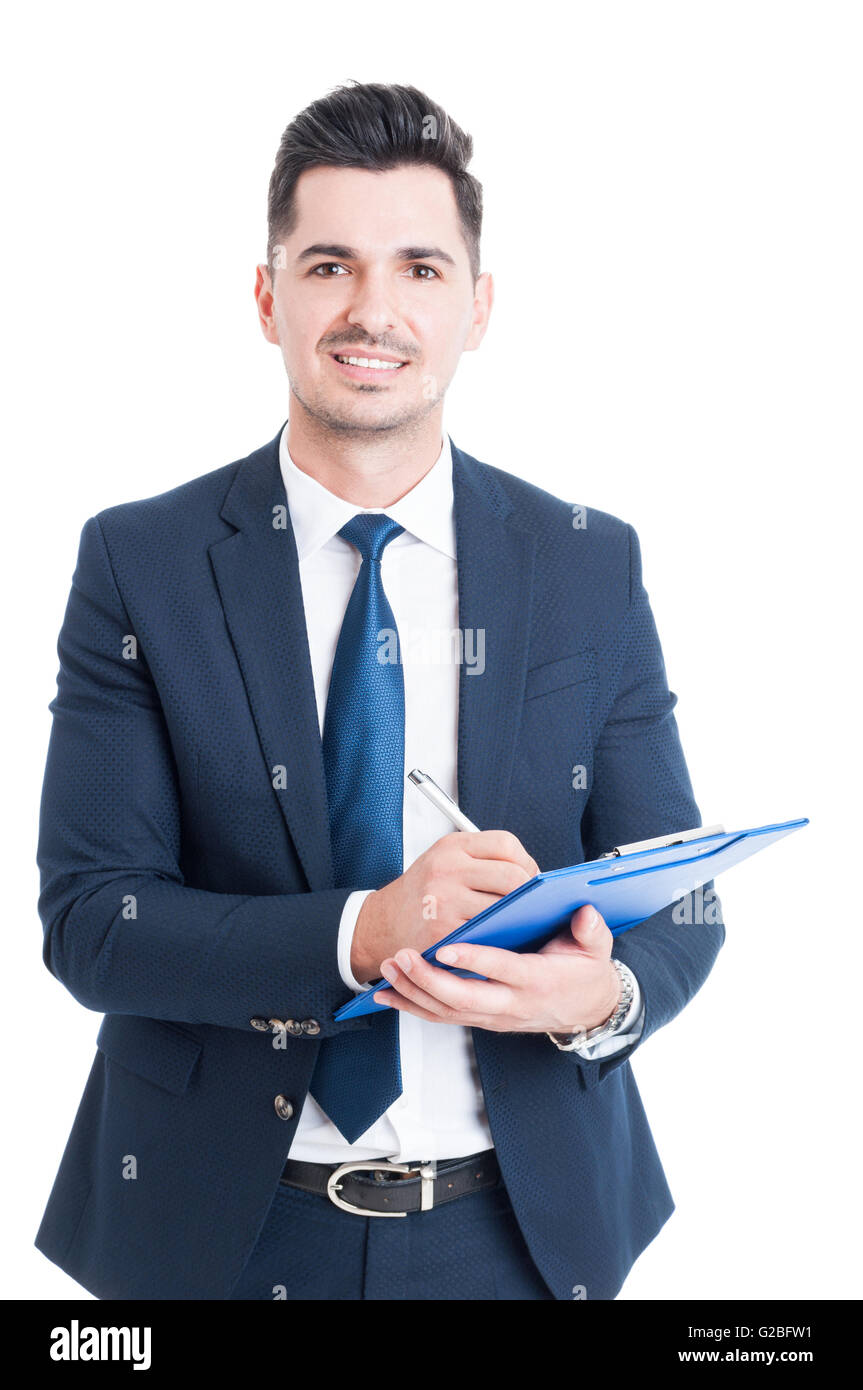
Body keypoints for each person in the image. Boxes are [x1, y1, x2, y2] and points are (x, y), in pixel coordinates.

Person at [34, 81, 724, 1301]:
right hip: (219, 1236)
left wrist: (599, 994)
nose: (372, 312)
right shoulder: (139, 562)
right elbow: (94, 921)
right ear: (267, 298)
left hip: (515, 1233)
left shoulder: (585, 562)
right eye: (327, 266)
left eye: (418, 267)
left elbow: (675, 892)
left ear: (477, 306)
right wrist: (366, 930)